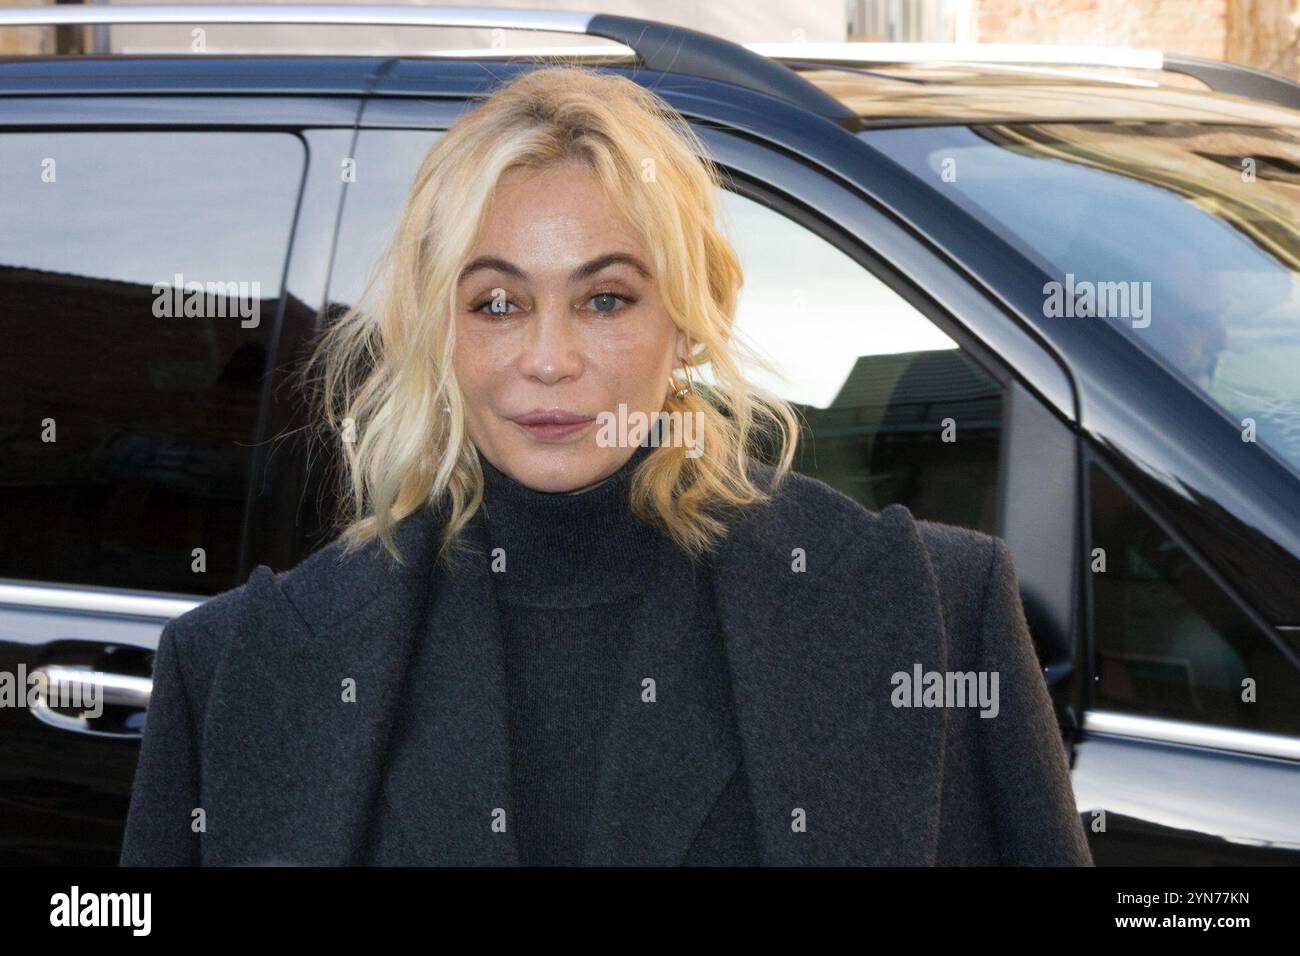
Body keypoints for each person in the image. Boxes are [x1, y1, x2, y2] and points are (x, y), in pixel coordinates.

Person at [119, 65, 1092, 867]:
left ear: (688, 322)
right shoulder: (236, 669)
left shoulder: (932, 611)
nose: (549, 355)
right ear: (435, 331)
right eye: (497, 302)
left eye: (607, 298)